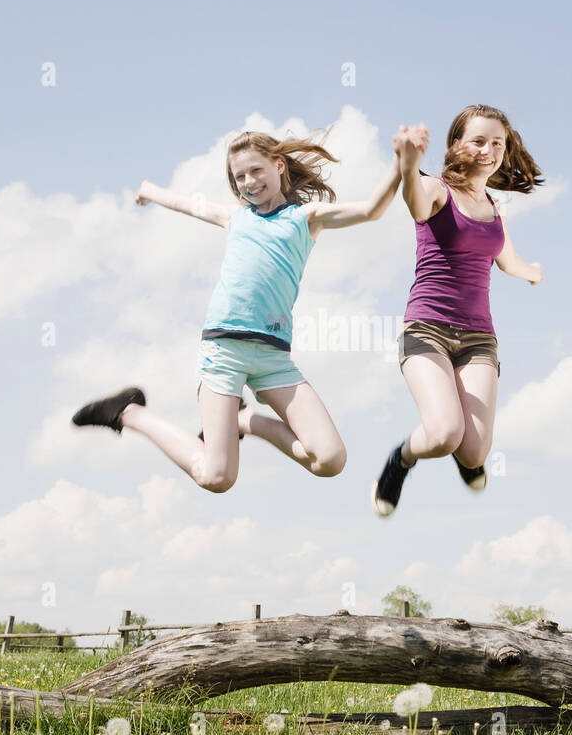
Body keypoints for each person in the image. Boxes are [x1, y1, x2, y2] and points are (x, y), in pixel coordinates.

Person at [73, 126, 404, 494]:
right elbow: (190, 204)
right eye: (239, 176)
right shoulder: (237, 218)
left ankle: (245, 420)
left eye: (256, 170)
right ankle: (128, 413)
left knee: (329, 460)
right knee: (217, 477)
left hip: (274, 357)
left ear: (279, 166)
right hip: (224, 351)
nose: (248, 181)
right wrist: (148, 191)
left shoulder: (306, 218)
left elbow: (372, 210)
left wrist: (403, 162)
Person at [371, 105, 545, 516]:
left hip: (478, 339)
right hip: (427, 329)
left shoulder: (495, 207)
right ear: (456, 145)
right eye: (478, 140)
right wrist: (409, 165)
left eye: (497, 143)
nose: (489, 150)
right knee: (445, 432)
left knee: (472, 453)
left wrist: (534, 273)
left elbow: (508, 260)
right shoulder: (434, 189)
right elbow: (414, 203)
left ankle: (460, 453)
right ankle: (402, 459)